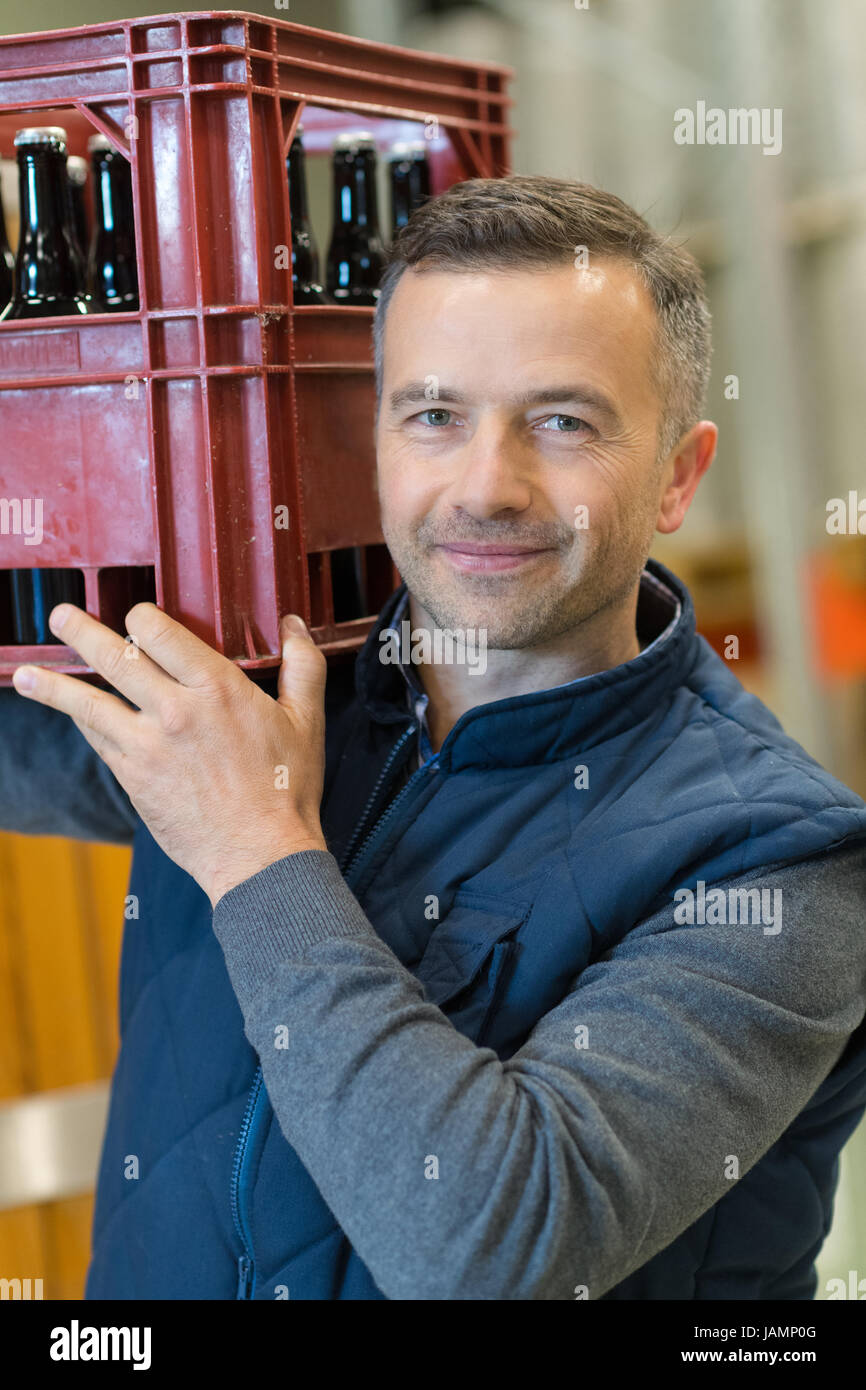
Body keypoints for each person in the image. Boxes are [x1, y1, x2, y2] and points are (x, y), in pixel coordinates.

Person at [3, 175, 866, 1301]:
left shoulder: (778, 866)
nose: (484, 485)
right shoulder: (262, 684)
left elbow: (491, 1253)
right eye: (433, 415)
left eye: (560, 421)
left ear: (677, 475)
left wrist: (256, 849)